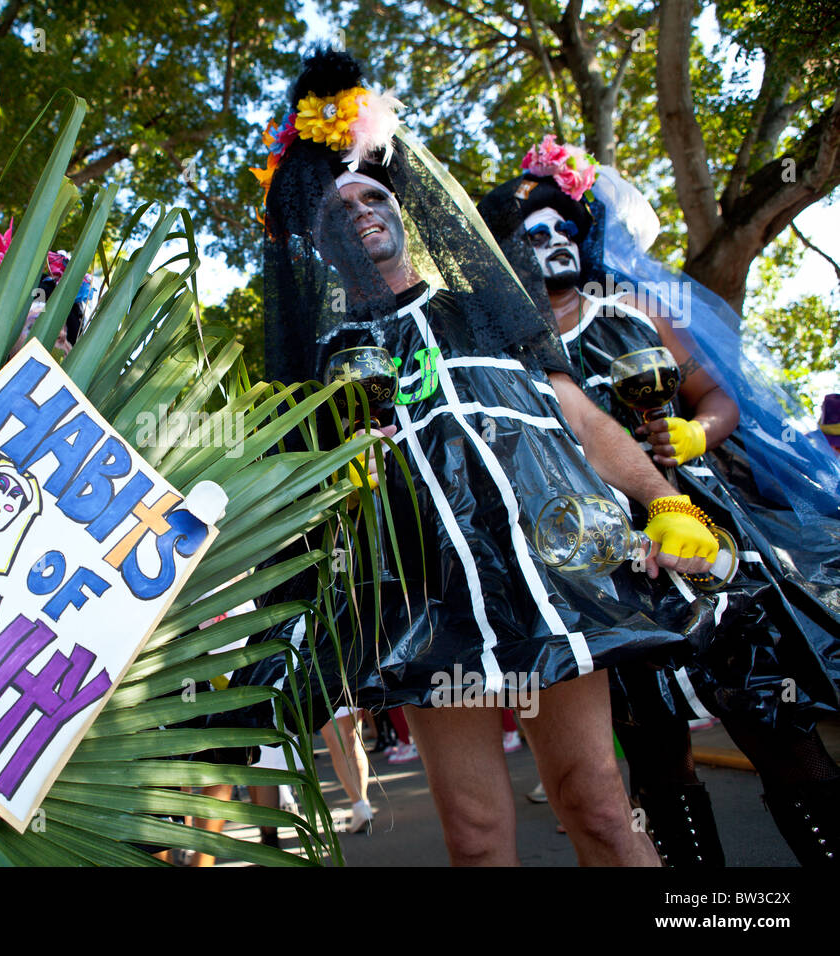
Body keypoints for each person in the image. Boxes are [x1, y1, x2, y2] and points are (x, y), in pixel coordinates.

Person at [247, 49, 721, 866]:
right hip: (429, 607)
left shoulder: (486, 311)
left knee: (601, 808)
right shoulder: (325, 363)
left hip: (553, 581)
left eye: (371, 195)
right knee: (474, 837)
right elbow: (306, 499)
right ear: (320, 244)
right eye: (337, 209)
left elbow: (577, 416)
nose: (359, 211)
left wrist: (666, 501)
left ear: (403, 210)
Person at [479, 145, 840, 865]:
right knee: (654, 752)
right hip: (605, 564)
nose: (552, 246)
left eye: (561, 230)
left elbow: (716, 399)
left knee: (773, 716)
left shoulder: (637, 310)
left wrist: (693, 432)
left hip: (700, 529)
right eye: (532, 236)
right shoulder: (507, 353)